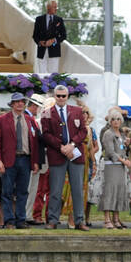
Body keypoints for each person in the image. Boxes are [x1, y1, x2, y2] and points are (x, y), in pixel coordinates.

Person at [41, 85, 88, 230]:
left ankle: (79, 220)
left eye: (64, 96)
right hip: (57, 154)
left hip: (75, 154)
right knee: (55, 190)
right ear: (54, 96)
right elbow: (46, 134)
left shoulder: (77, 111)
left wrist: (72, 145)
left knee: (77, 190)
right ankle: (53, 220)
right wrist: (61, 147)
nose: (61, 98)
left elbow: (83, 131)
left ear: (67, 96)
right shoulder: (46, 113)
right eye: (58, 96)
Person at [0, 92, 39, 229]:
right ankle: (9, 220)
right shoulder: (3, 119)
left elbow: (34, 142)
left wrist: (35, 161)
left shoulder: (29, 120)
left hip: (25, 159)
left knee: (23, 191)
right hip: (8, 160)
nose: (20, 104)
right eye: (17, 102)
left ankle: (21, 219)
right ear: (12, 104)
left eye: (22, 102)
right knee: (6, 191)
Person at [98, 109, 131, 229]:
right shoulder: (108, 133)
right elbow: (111, 152)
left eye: (118, 119)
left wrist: (126, 148)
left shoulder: (121, 134)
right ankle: (107, 219)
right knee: (109, 191)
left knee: (119, 191)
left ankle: (116, 218)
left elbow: (121, 150)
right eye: (113, 119)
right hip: (111, 166)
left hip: (120, 167)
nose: (116, 121)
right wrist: (124, 161)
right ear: (110, 121)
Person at [32, 0, 66, 72]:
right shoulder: (39, 19)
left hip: (54, 51)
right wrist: (40, 42)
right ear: (48, 7)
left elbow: (64, 35)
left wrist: (54, 40)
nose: (56, 9)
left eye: (56, 7)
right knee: (42, 74)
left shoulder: (59, 20)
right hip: (42, 51)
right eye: (54, 7)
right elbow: (35, 35)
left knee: (53, 74)